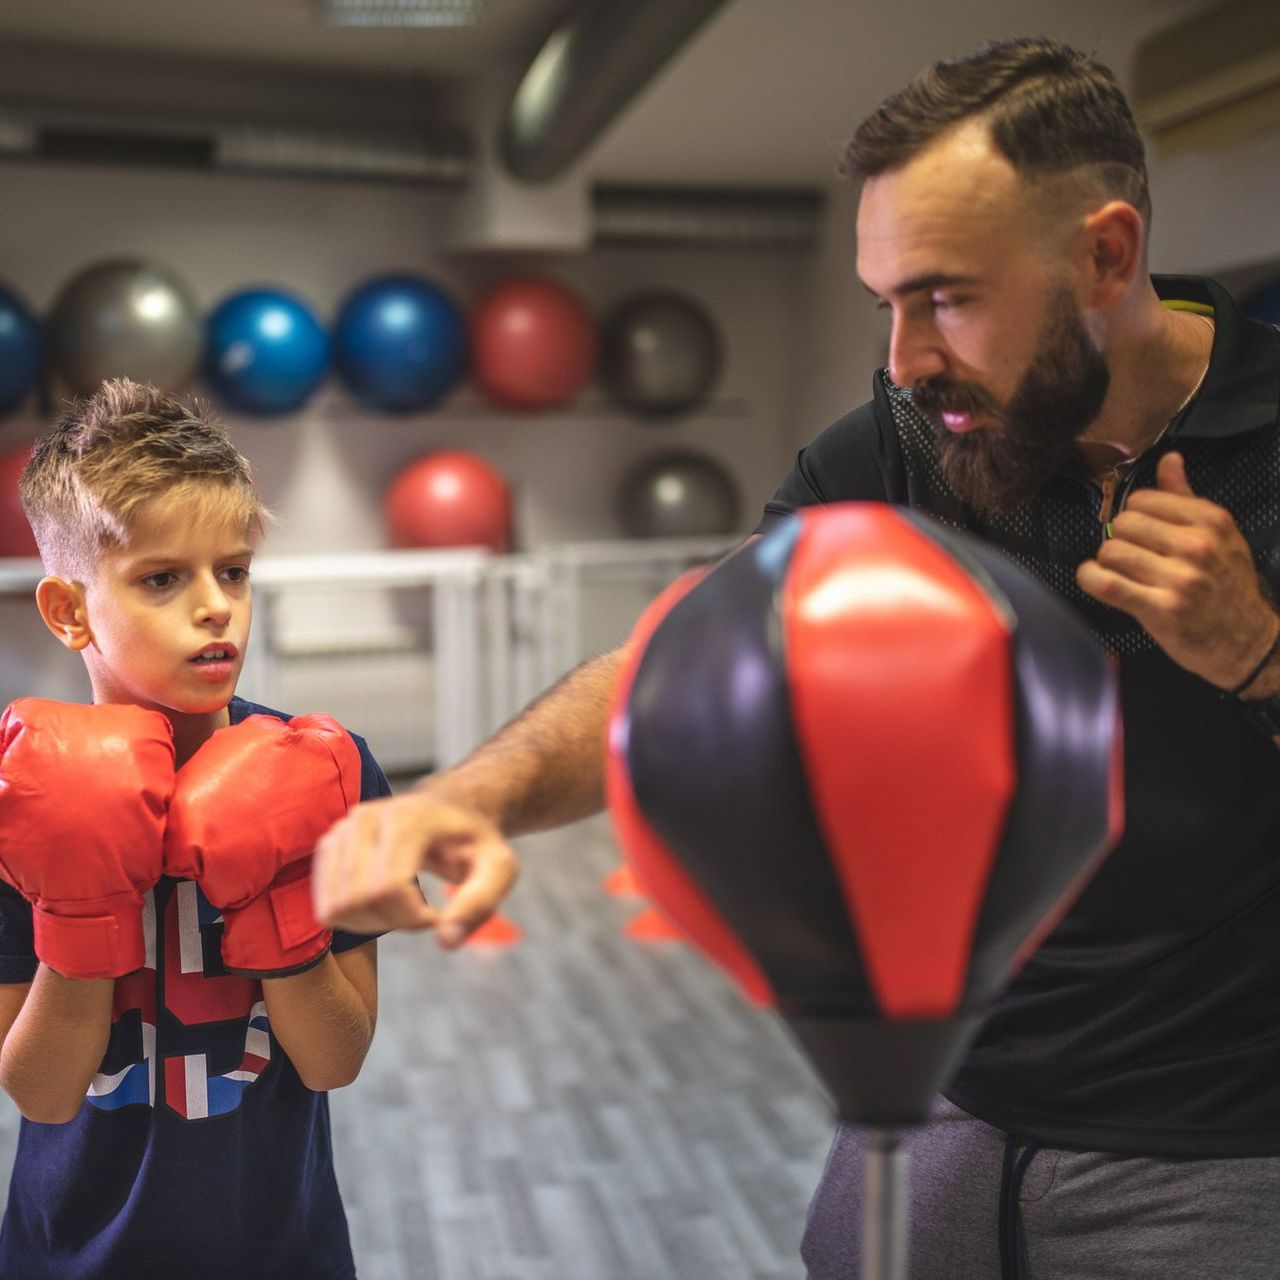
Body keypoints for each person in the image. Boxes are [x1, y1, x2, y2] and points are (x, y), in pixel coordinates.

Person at [314, 37, 1280, 1280]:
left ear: (1104, 253)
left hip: (1212, 1139)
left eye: (946, 297)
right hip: (940, 1091)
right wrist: (465, 794)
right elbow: (692, 659)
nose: (904, 358)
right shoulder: (903, 445)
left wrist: (1257, 652)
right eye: (887, 303)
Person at [0, 378, 391, 1280]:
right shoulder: (17, 796)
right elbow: (41, 1093)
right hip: (70, 1256)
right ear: (68, 611)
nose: (215, 606)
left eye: (234, 571)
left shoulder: (328, 770)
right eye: (162, 578)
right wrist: (78, 912)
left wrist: (278, 906)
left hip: (282, 1251)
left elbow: (334, 1060)